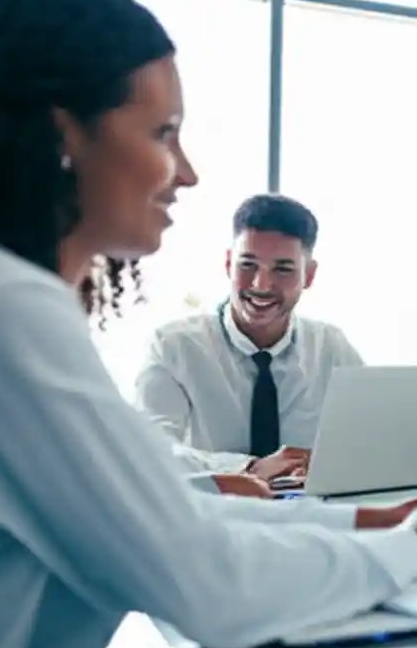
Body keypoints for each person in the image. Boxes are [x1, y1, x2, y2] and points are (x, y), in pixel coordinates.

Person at [0, 0, 417, 648]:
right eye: (164, 132)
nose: (184, 173)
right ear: (62, 137)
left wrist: (373, 521)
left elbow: (169, 513)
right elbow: (203, 578)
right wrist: (414, 550)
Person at [135, 193, 362, 497]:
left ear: (309, 275)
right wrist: (249, 468)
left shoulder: (332, 348)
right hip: (212, 517)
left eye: (282, 269)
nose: (261, 285)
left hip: (309, 516)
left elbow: (369, 441)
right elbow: (152, 450)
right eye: (248, 265)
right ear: (229, 264)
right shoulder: (173, 347)